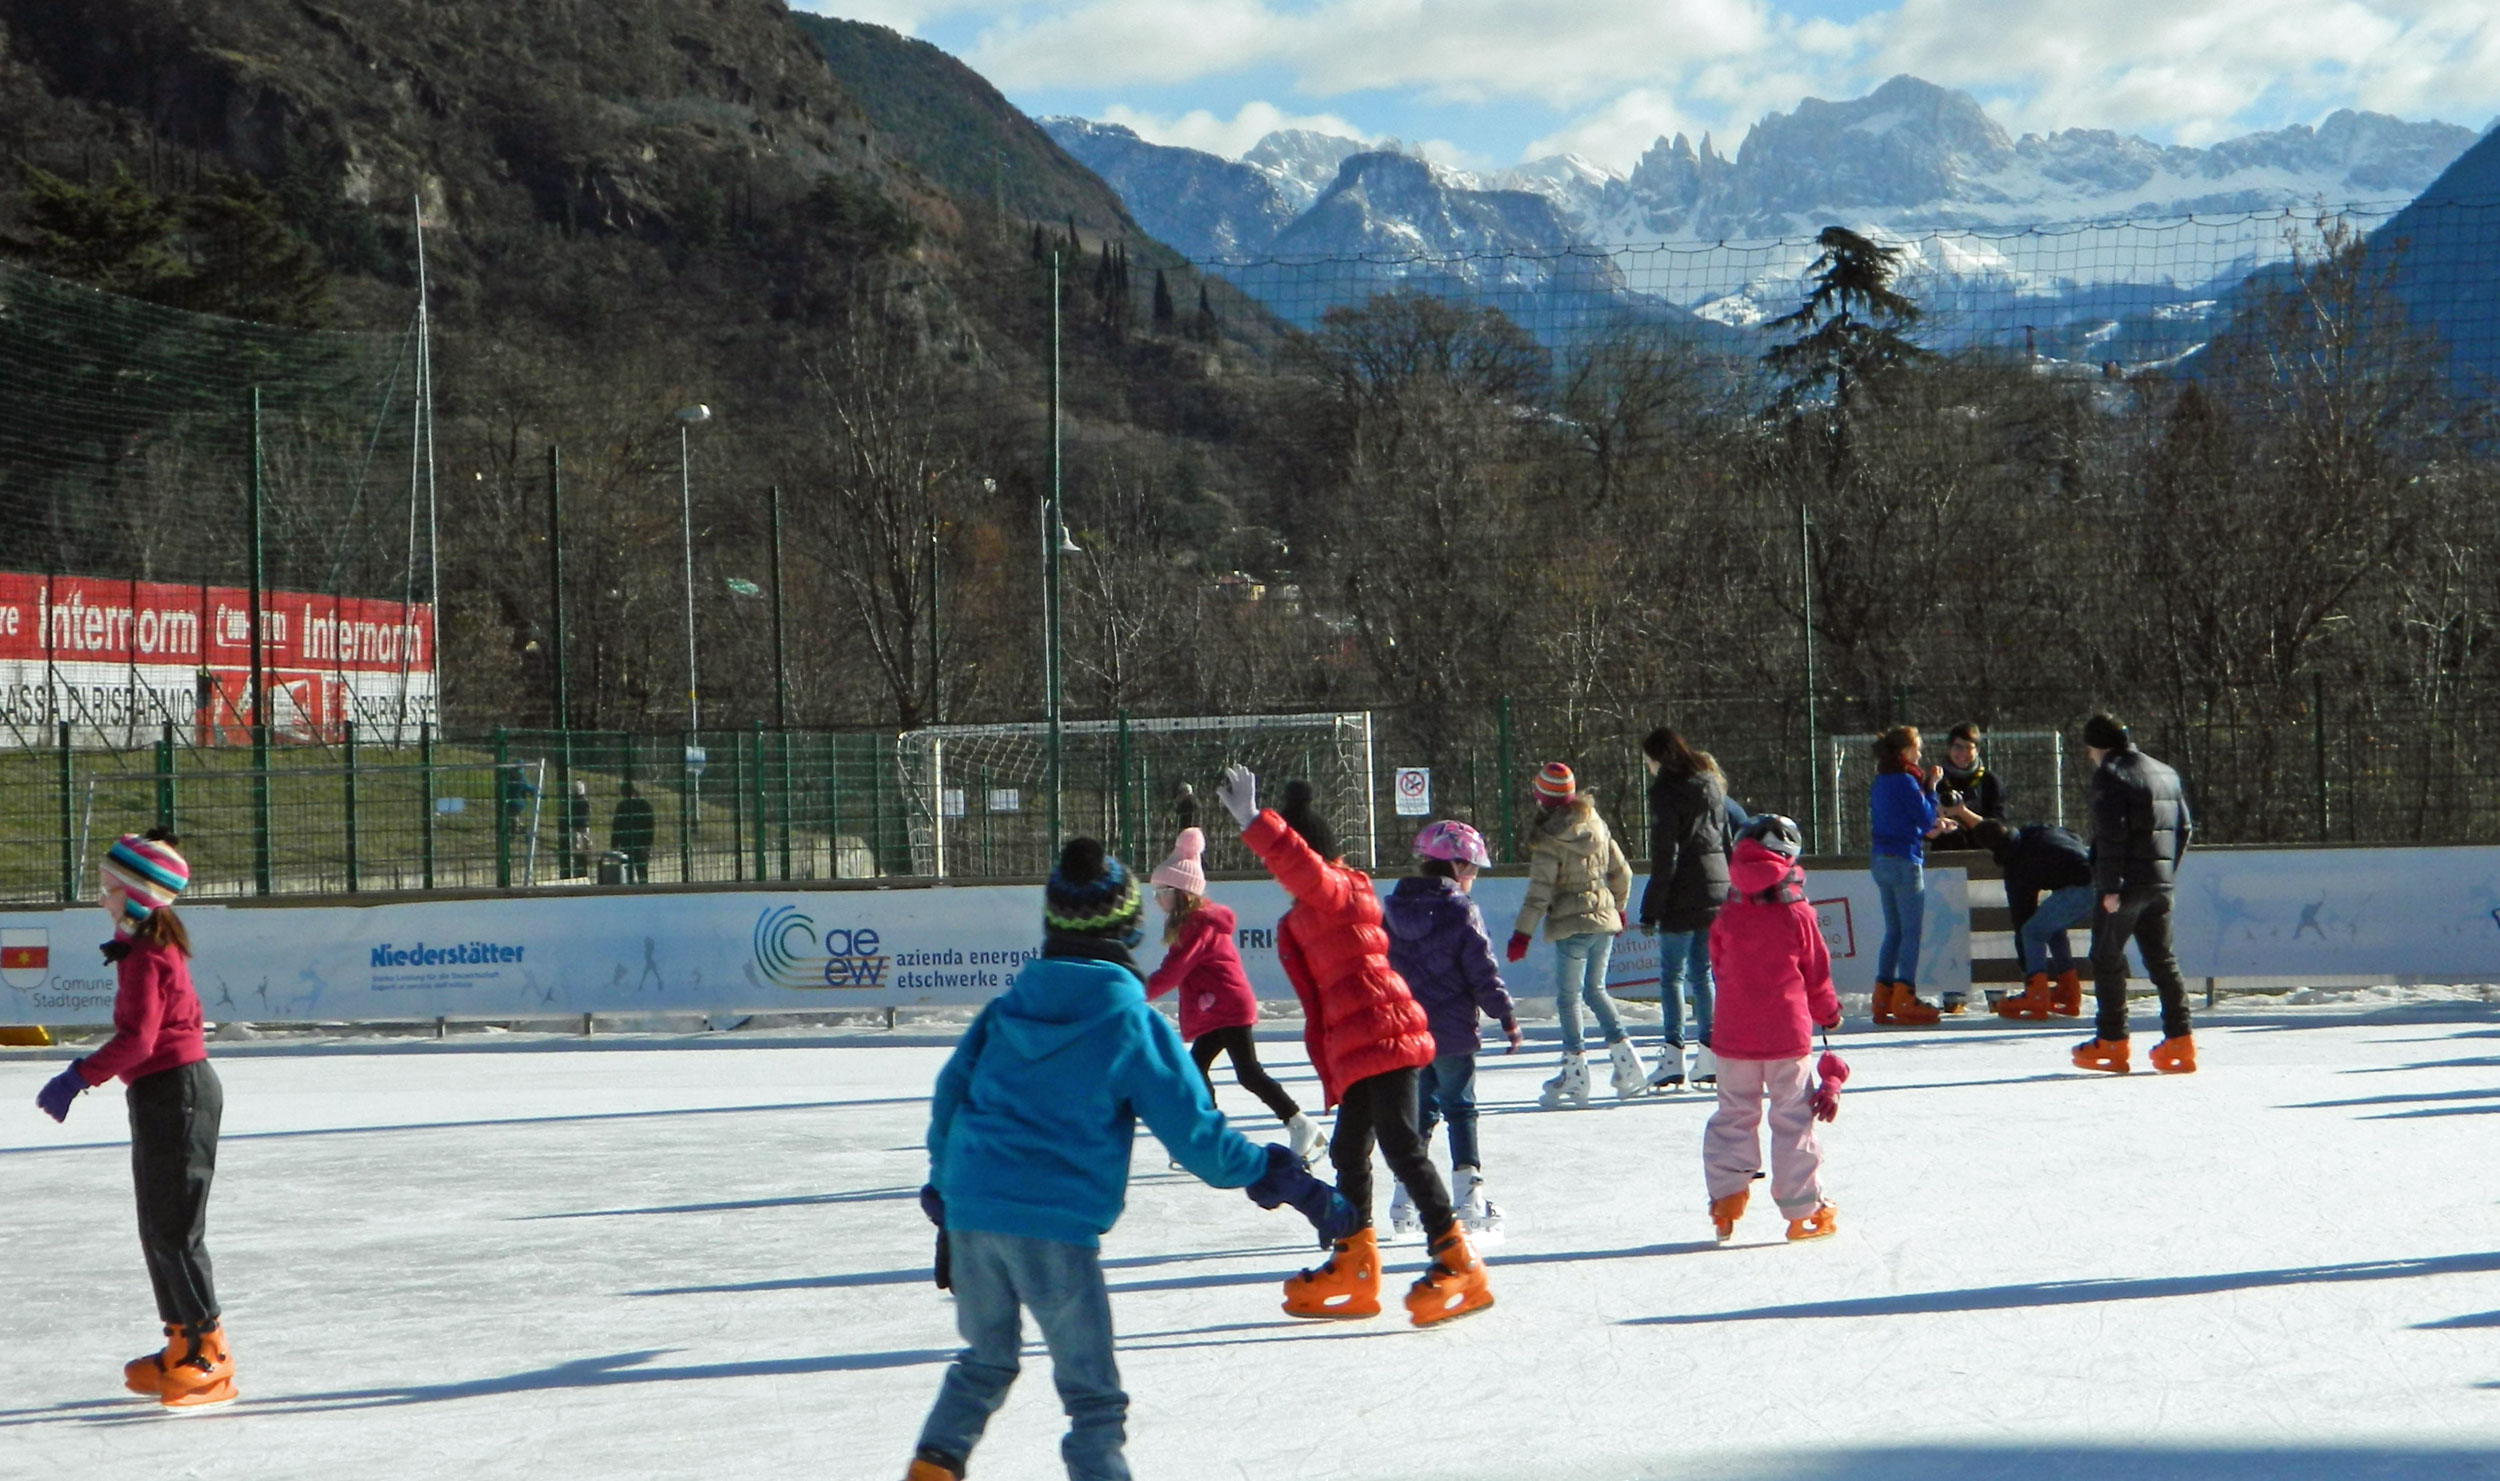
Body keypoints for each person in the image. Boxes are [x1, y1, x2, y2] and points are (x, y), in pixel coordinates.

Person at [906, 837, 1352, 1481]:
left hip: (974, 1213)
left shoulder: (1004, 1012)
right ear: (1129, 926)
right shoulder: (1128, 1022)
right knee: (1092, 1400)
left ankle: (933, 1468)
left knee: (984, 1362)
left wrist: (946, 1201)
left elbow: (949, 1104)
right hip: (1055, 1226)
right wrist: (1273, 1170)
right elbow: (1197, 1138)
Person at [1215, 765, 1495, 1327]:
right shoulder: (1320, 904)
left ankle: (1458, 1257)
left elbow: (1298, 864)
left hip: (1383, 1035)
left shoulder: (1334, 889)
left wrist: (1253, 821)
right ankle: (1356, 1261)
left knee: (1400, 1145)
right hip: (1363, 1040)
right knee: (1347, 1151)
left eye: (1284, 864)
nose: (1278, 875)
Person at [31, 830, 236, 1412]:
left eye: (109, 888)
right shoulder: (140, 949)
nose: (102, 899)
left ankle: (210, 1349)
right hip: (159, 1094)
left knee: (176, 1226)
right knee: (157, 1225)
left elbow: (140, 1039)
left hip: (180, 1092)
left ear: (138, 894)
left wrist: (79, 1076)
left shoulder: (149, 953)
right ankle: (179, 1342)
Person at [1144, 825, 1327, 1168]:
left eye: (1161, 892)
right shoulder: (1193, 924)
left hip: (1227, 1007)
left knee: (1246, 1072)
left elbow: (1173, 971)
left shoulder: (1197, 925)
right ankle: (1221, 1137)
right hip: (1219, 1007)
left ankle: (1295, 1124)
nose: (1157, 900)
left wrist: (1135, 995)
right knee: (1200, 1069)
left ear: (1181, 892)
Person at [1703, 815, 1842, 1244]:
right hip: (1786, 1034)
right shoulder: (1797, 911)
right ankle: (1802, 1211)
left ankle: (1726, 1199)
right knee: (1793, 1121)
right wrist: (1829, 1013)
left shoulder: (1727, 910)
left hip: (1732, 1036)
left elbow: (1719, 965)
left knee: (1733, 1116)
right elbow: (1815, 971)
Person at [1382, 819, 1520, 1238]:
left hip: (1409, 1032)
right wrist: (1506, 1016)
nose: (1474, 879)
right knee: (1460, 1108)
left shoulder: (1392, 909)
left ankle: (1405, 1199)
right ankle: (1469, 1197)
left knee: (1420, 1112)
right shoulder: (1461, 910)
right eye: (1474, 870)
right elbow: (1483, 971)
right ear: (1458, 868)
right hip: (1453, 1033)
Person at [1507, 762, 1646, 1104]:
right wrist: (1619, 908)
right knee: (1596, 991)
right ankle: (1628, 1062)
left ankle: (1575, 1072)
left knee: (1569, 999)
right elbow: (1622, 872)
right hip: (1603, 918)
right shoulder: (1595, 822)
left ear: (1542, 798)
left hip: (1572, 924)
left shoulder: (1549, 839)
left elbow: (1539, 892)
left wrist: (1521, 934)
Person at [2071, 714, 2197, 1075]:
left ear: (2095, 747)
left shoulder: (2110, 776)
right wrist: (2165, 871)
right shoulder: (2165, 771)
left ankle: (2112, 1041)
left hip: (2125, 884)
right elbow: (2184, 827)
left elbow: (2112, 834)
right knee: (2162, 960)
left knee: (2106, 956)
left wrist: (2110, 886)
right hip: (2159, 883)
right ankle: (2180, 1039)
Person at [1638, 729, 1730, 1092]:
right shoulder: (1711, 782)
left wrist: (1651, 907)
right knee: (1702, 973)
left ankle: (1672, 1054)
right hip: (1716, 885)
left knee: (1671, 975)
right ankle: (1709, 1055)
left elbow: (1666, 854)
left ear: (1658, 758)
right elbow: (1724, 837)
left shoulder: (1665, 791)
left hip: (1681, 890)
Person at [1957, 811, 2093, 1020]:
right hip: (2099, 872)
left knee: (2032, 931)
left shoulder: (2015, 865)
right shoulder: (2036, 830)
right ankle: (2069, 990)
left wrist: (2028, 971)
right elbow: (2073, 837)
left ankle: (2037, 993)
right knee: (2050, 926)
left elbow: (2022, 921)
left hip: (2081, 886)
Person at [1867, 726, 1949, 1023]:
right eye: (1917, 747)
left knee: (1894, 930)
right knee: (1911, 931)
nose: (1921, 752)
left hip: (1880, 859)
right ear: (1904, 752)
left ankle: (1882, 995)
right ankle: (1906, 994)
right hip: (1904, 860)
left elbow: (1900, 820)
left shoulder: (1881, 780)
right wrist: (1932, 786)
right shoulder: (1905, 779)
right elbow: (1926, 816)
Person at [1924, 723, 2005, 852]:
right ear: (1948, 749)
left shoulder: (1990, 782)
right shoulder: (1935, 779)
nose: (1963, 753)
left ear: (1977, 750)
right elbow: (1920, 825)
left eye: (1969, 747)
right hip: (1944, 856)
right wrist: (1937, 821)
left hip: (1981, 855)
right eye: (1958, 747)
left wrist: (1962, 812)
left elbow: (1997, 830)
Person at [610, 780, 656, 883]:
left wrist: (614, 845)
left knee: (627, 873)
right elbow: (650, 826)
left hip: (626, 843)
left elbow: (616, 826)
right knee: (642, 873)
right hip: (641, 843)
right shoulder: (645, 805)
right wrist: (648, 845)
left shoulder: (622, 806)